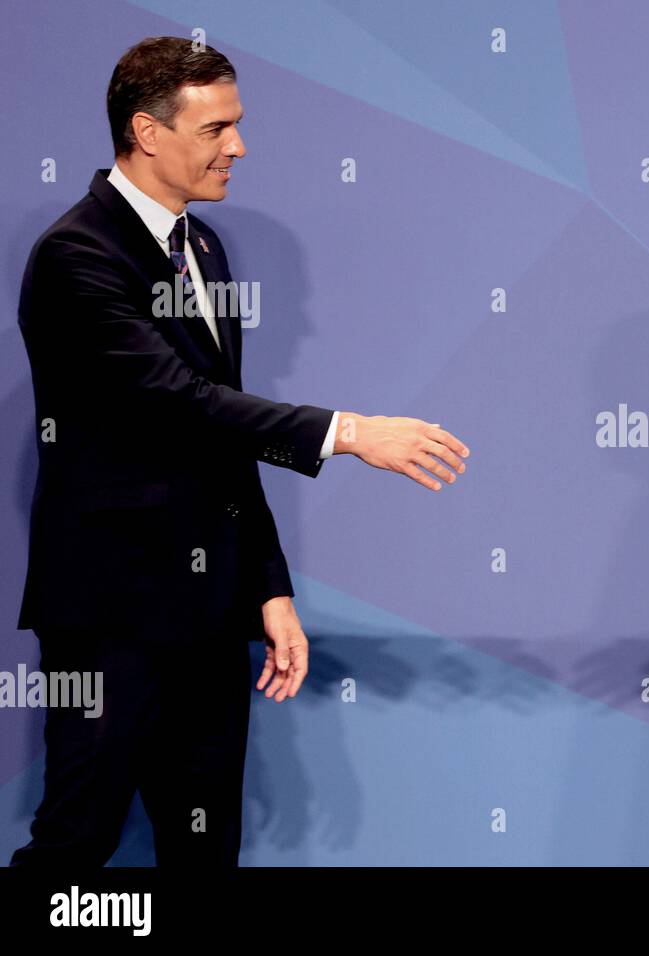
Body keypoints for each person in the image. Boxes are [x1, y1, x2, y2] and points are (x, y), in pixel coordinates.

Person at [10, 36, 470, 866]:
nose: (240, 147)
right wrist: (350, 433)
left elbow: (219, 443)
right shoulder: (77, 257)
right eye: (217, 128)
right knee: (72, 847)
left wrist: (268, 588)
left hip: (210, 616)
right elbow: (179, 402)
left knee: (205, 846)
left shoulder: (208, 250)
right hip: (112, 618)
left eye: (239, 124)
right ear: (148, 133)